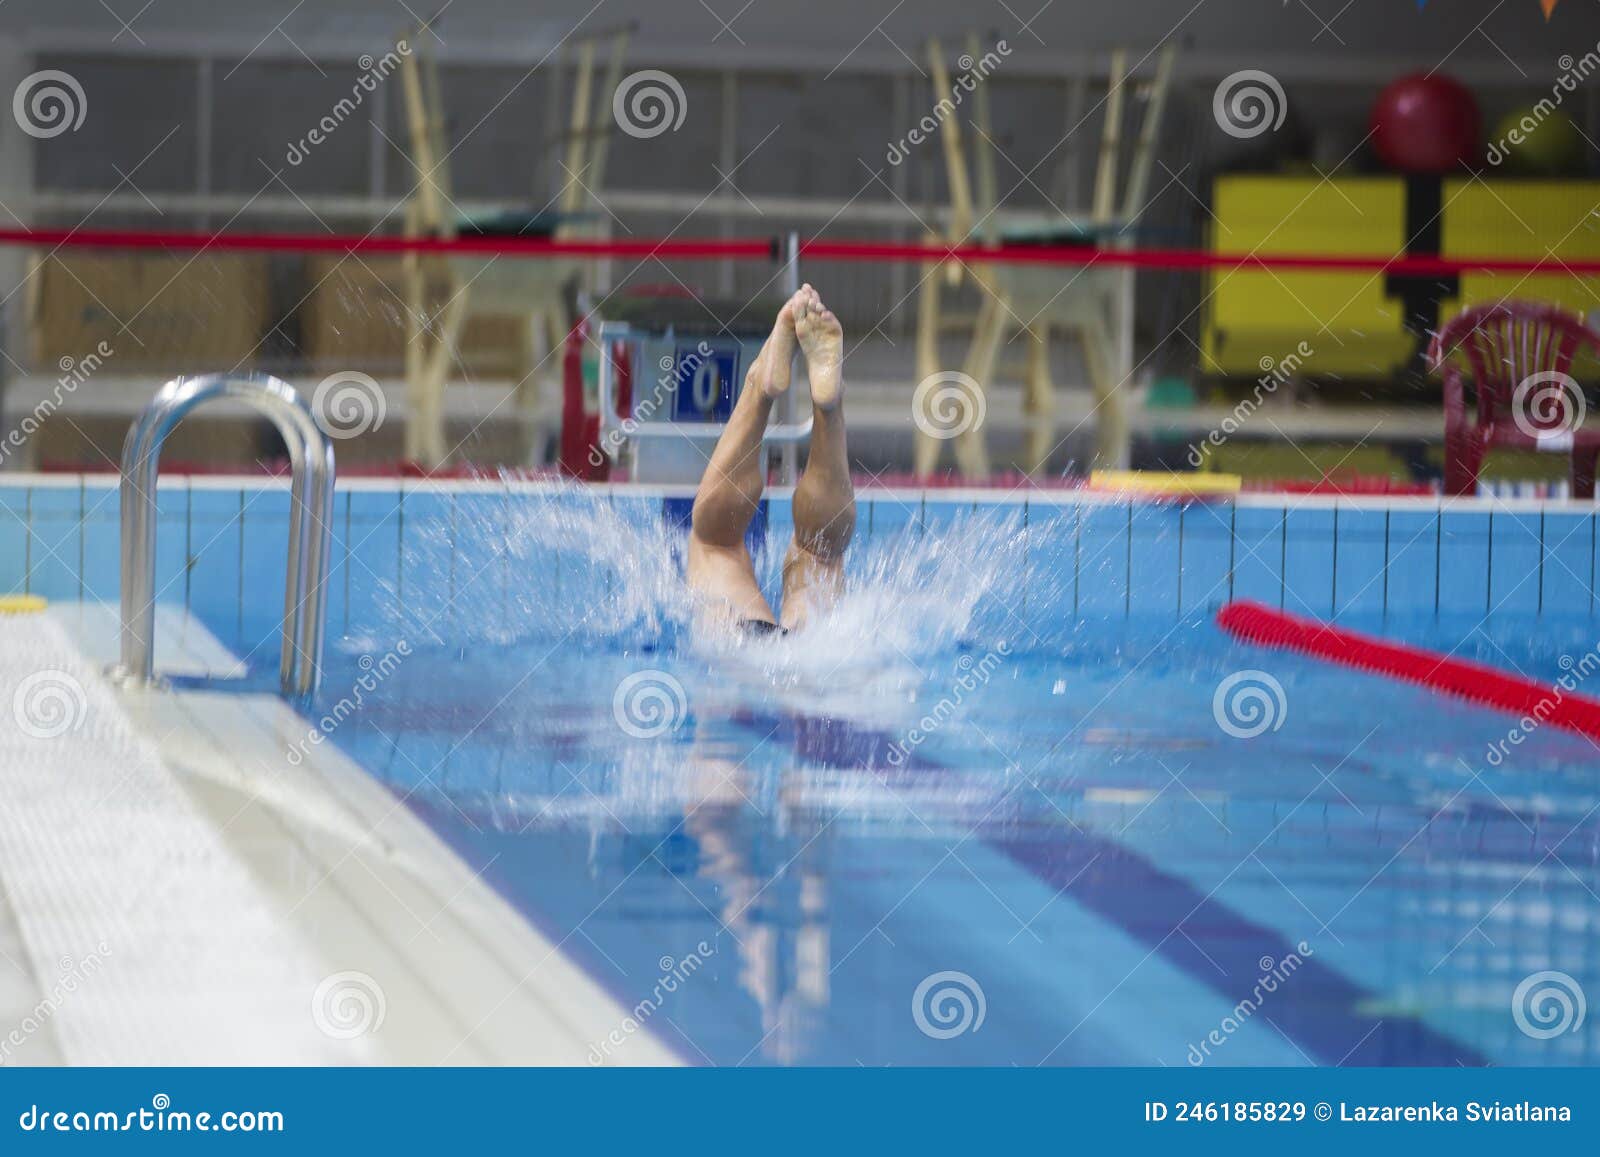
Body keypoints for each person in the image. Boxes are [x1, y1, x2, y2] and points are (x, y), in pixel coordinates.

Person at [686, 284, 853, 634]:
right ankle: (829, 406)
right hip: (816, 659)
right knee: (819, 559)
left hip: (746, 648)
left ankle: (759, 388)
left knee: (716, 546)